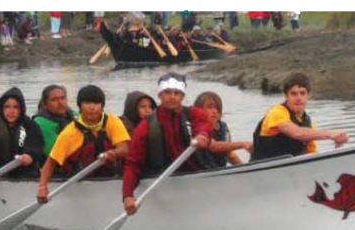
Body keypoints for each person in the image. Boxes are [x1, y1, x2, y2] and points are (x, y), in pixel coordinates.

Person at [121, 73, 251, 215]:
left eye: (177, 93)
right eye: (167, 93)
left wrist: (202, 136)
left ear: (182, 97)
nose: (172, 96)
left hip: (197, 175)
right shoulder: (145, 127)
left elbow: (203, 126)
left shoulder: (194, 113)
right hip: (164, 180)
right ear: (160, 96)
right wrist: (127, 195)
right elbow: (133, 164)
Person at [37, 85, 131, 204]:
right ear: (80, 106)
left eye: (97, 103)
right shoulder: (69, 132)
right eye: (87, 103)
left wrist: (113, 152)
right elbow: (50, 163)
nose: (92, 108)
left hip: (112, 177)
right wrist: (42, 188)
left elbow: (124, 148)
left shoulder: (112, 121)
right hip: (81, 184)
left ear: (102, 107)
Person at [252, 73, 349, 161]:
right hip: (261, 169)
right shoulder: (276, 112)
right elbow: (296, 133)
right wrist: (330, 134)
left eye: (302, 93)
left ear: (308, 96)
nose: (298, 98)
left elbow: (312, 156)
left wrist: (338, 144)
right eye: (293, 94)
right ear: (286, 96)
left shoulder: (309, 124)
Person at [193, 91, 252, 167]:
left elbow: (230, 154)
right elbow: (214, 147)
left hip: (219, 171)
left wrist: (244, 169)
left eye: (217, 108)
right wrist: (243, 144)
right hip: (201, 172)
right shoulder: (197, 128)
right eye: (209, 107)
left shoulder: (223, 127)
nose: (215, 111)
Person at [33, 85, 76, 159]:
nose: (60, 103)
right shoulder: (41, 123)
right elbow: (55, 152)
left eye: (63, 98)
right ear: (45, 104)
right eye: (54, 100)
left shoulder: (74, 115)